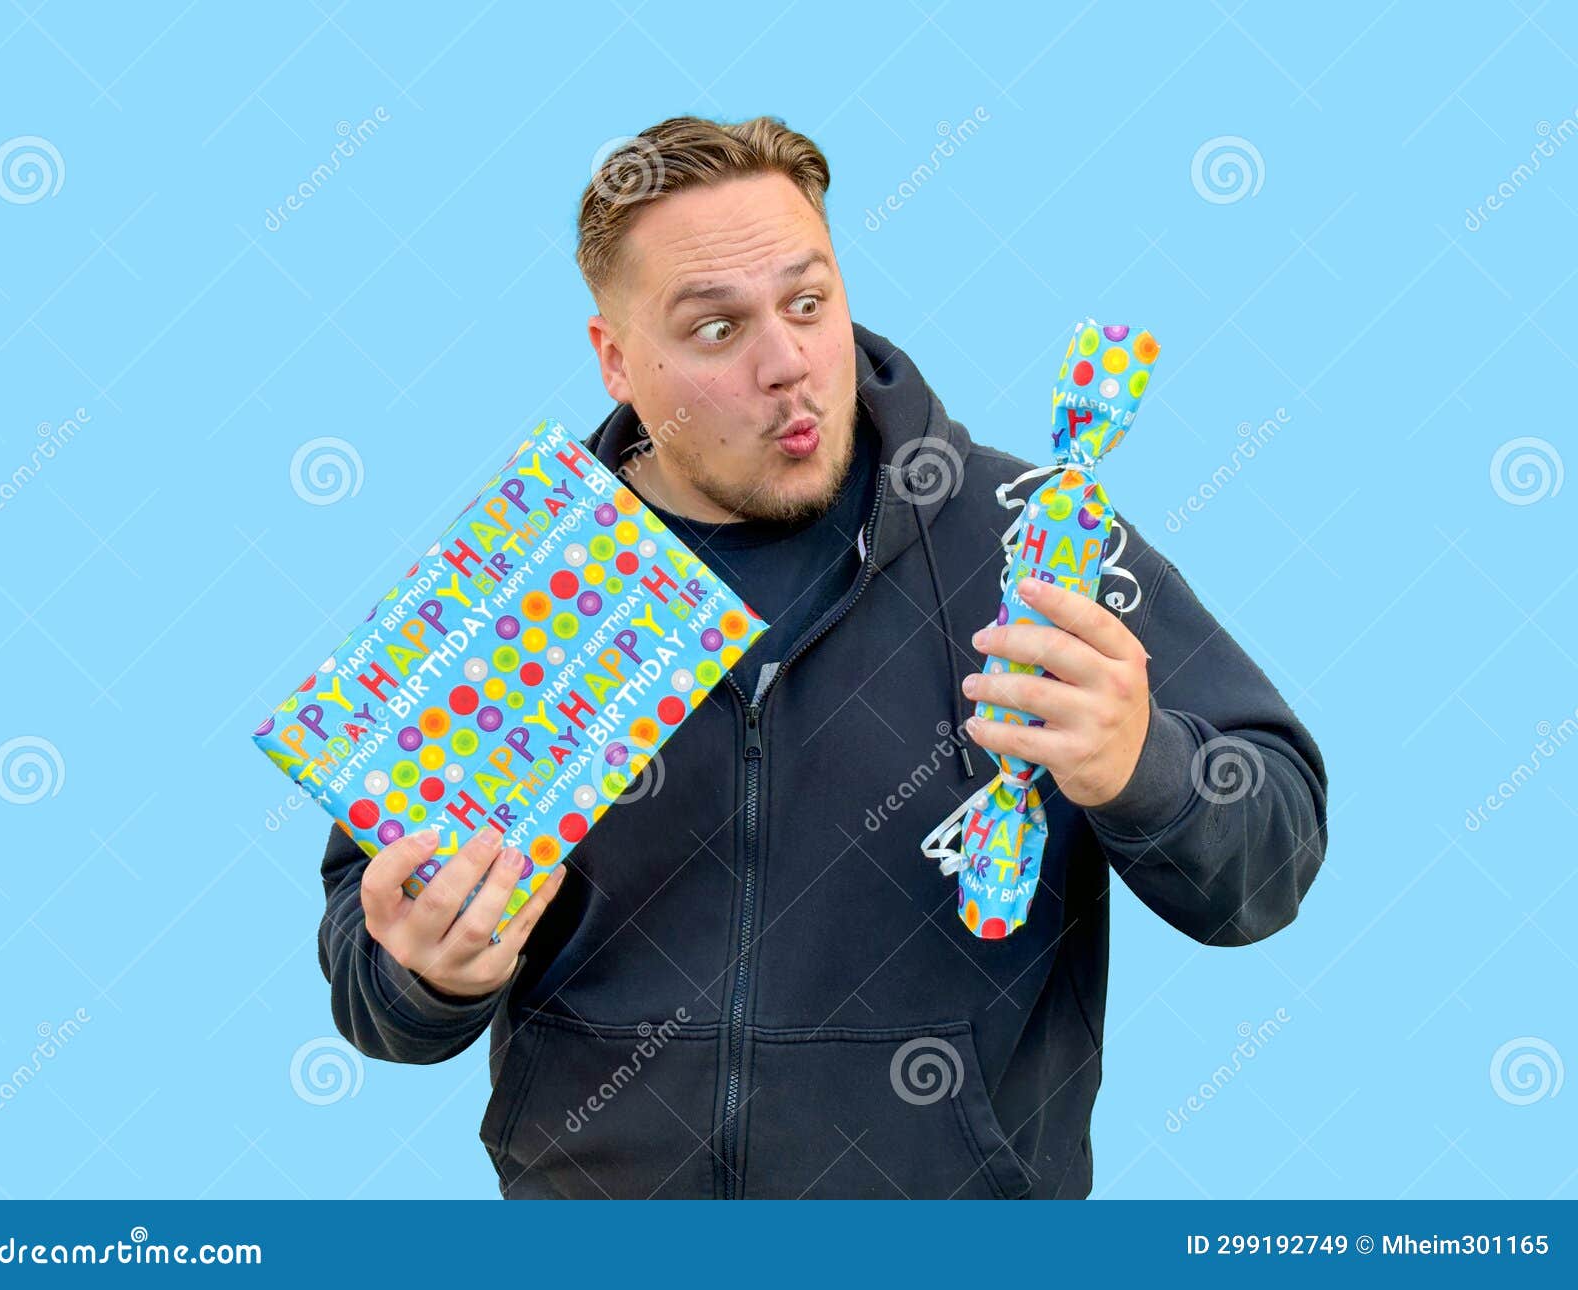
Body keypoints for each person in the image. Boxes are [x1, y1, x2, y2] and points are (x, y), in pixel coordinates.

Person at [317, 114, 1329, 1200]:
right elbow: (374, 977)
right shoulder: (528, 584)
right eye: (716, 329)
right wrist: (427, 975)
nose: (787, 363)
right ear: (615, 359)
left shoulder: (1034, 539)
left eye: (807, 304)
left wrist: (1144, 767)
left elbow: (1266, 869)